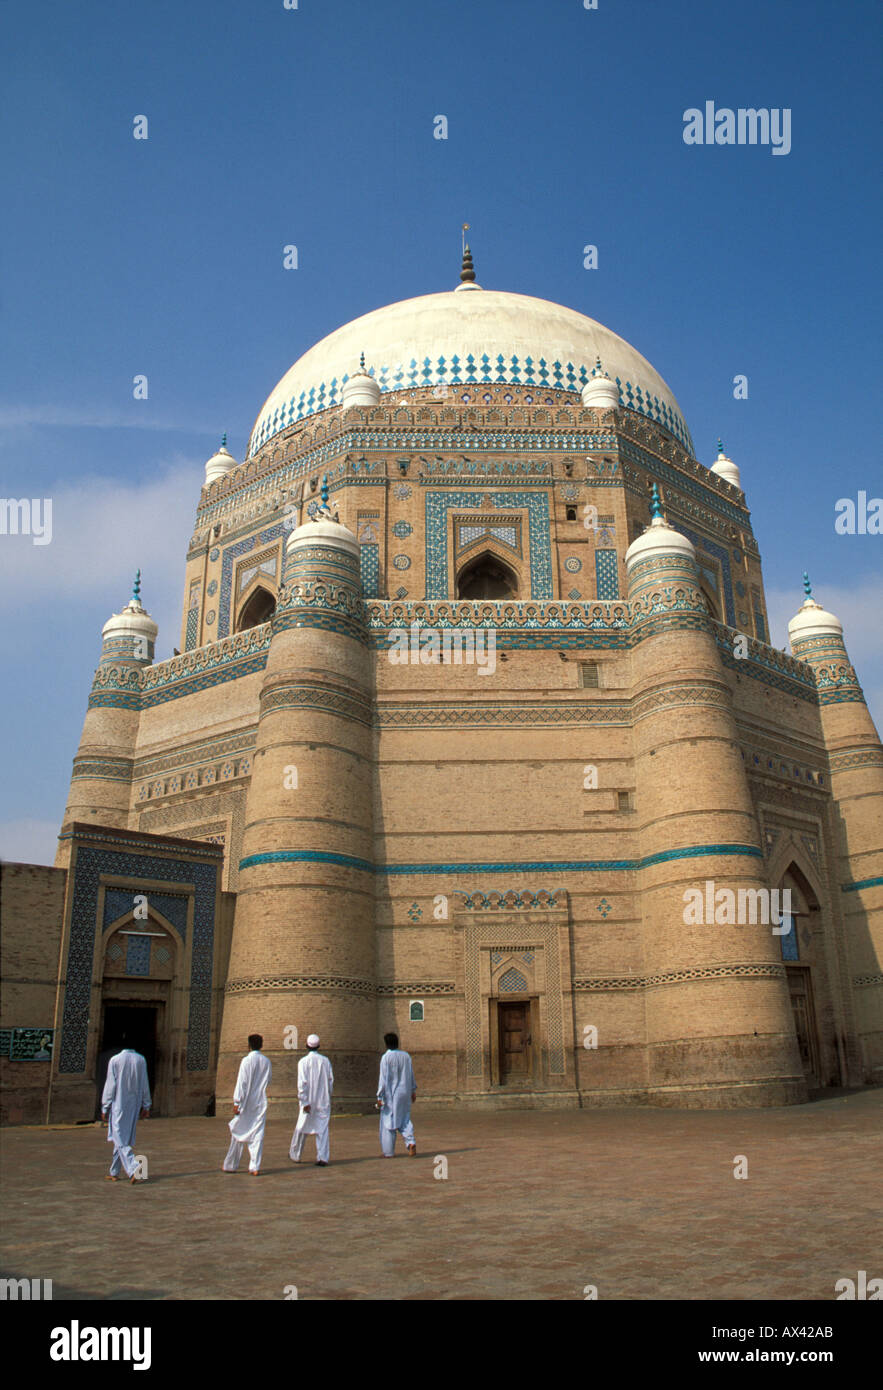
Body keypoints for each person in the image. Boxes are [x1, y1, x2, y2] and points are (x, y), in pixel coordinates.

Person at [101, 1040, 151, 1183]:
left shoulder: (115, 1060)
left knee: (120, 1139)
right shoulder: (141, 1060)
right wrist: (146, 1105)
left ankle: (134, 1168)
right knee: (122, 1138)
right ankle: (114, 1172)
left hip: (119, 1105)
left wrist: (105, 1106)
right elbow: (144, 1084)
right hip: (133, 1106)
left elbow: (111, 1085)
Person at [223, 1034, 272, 1177]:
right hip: (260, 1102)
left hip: (245, 1103)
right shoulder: (266, 1061)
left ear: (249, 1045)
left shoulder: (246, 1061)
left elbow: (242, 1082)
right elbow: (267, 1080)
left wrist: (237, 1102)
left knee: (239, 1131)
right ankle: (254, 1167)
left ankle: (231, 1165)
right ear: (261, 1045)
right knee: (257, 1134)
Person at [290, 1034, 333, 1166]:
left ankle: (296, 1154)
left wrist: (304, 1102)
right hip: (322, 1100)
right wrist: (327, 1096)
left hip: (308, 1101)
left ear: (307, 1046)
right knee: (322, 1129)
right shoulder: (326, 1061)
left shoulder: (303, 1062)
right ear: (319, 1046)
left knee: (302, 1126)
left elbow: (301, 1084)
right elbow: (330, 1081)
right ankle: (322, 1157)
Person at [376, 1033, 417, 1158]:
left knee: (389, 1122)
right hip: (405, 1093)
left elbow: (383, 1079)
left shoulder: (386, 1057)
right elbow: (411, 1074)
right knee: (405, 1119)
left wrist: (379, 1097)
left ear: (386, 1044)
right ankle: (410, 1142)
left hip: (391, 1095)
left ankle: (388, 1152)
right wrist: (412, 1090)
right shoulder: (406, 1056)